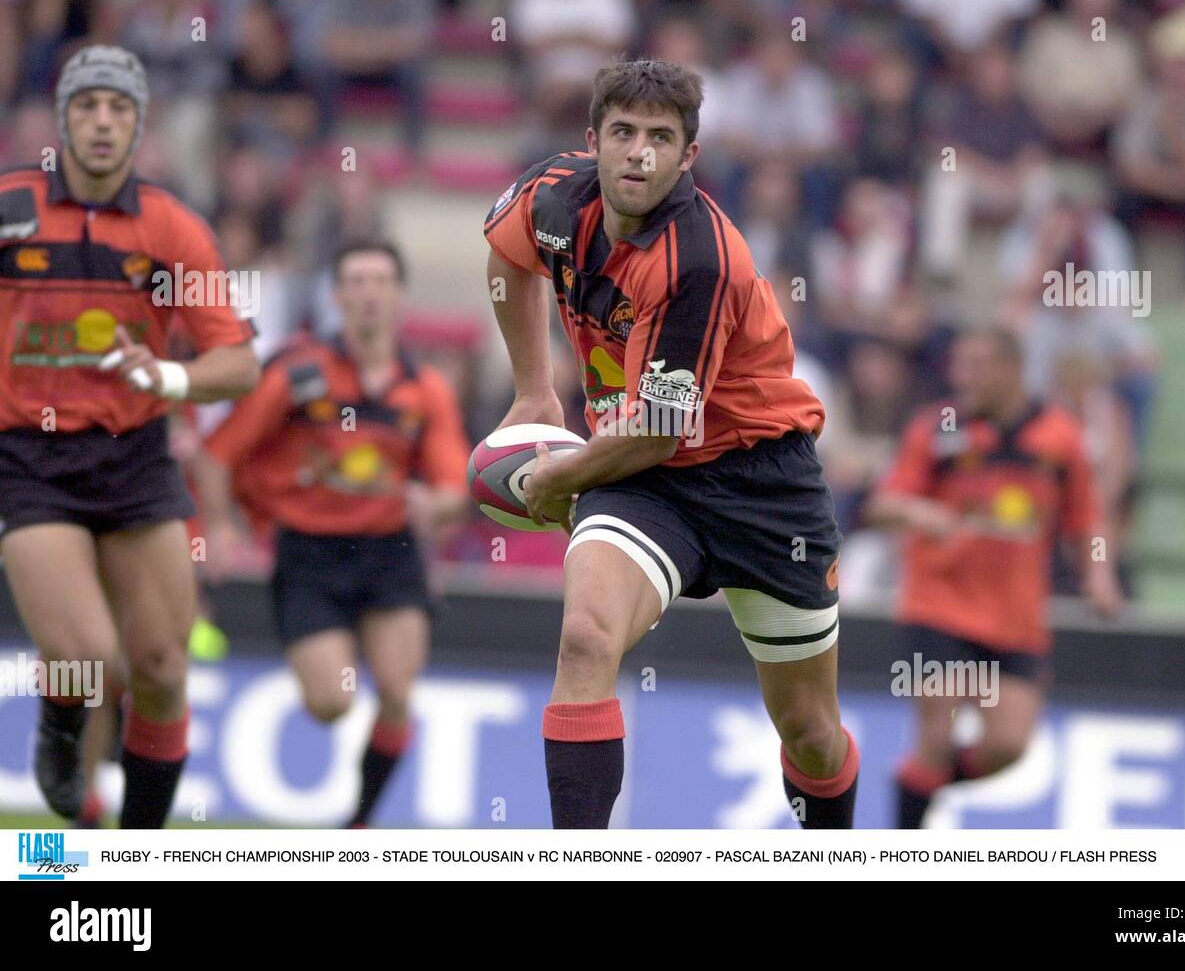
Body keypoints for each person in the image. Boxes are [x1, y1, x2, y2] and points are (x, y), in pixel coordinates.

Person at [483, 58, 856, 830]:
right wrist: (533, 391)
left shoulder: (699, 257)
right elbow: (507, 261)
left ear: (689, 156)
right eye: (623, 132)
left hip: (760, 484)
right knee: (586, 638)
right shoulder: (553, 195)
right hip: (645, 484)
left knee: (812, 736)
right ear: (593, 140)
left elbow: (656, 428)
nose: (638, 153)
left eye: (661, 138)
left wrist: (559, 479)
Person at [0, 45, 259, 828]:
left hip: (136, 458)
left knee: (160, 667)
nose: (104, 123)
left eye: (119, 108)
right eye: (88, 107)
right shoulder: (9, 207)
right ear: (63, 119)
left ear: (140, 123)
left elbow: (238, 361)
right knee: (88, 660)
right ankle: (60, 724)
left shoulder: (173, 227)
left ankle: (137, 857)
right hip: (29, 461)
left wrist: (171, 378)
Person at [194, 240, 470, 828]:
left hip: (390, 553)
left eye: (381, 281)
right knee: (331, 702)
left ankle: (358, 829)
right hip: (309, 554)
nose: (369, 293)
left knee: (397, 691)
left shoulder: (426, 389)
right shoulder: (299, 373)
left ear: (399, 296)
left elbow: (454, 486)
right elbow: (216, 454)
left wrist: (433, 503)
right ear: (338, 296)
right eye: (357, 282)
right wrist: (218, 525)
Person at [870, 327, 1123, 829]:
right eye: (960, 365)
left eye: (977, 365)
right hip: (939, 604)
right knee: (937, 735)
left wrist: (1099, 575)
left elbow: (1086, 519)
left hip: (1016, 618)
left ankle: (915, 788)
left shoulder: (1058, 437)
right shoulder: (938, 428)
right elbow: (884, 504)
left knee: (1008, 747)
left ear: (1012, 369)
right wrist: (921, 514)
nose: (964, 377)